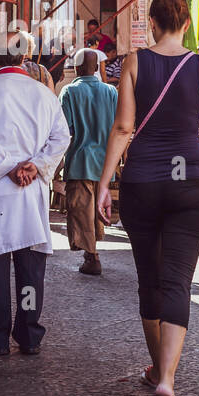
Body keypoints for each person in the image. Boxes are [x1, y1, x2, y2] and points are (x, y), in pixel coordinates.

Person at [96, 0, 199, 396]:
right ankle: (167, 378)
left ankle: (158, 369)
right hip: (189, 183)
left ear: (151, 23)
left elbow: (123, 127)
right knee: (177, 281)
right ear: (187, 24)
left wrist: (103, 184)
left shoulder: (134, 62)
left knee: (149, 279)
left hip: (143, 183)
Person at [0, 40, 71, 356]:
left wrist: (9, 167)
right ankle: (29, 334)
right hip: (32, 189)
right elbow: (61, 137)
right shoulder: (44, 94)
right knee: (31, 268)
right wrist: (34, 166)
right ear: (24, 57)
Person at [59, 47, 117, 275]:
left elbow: (65, 130)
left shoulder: (69, 92)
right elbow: (118, 127)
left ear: (76, 68)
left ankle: (92, 257)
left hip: (80, 160)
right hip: (105, 162)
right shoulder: (111, 91)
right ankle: (91, 253)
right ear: (95, 69)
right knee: (95, 210)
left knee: (81, 210)